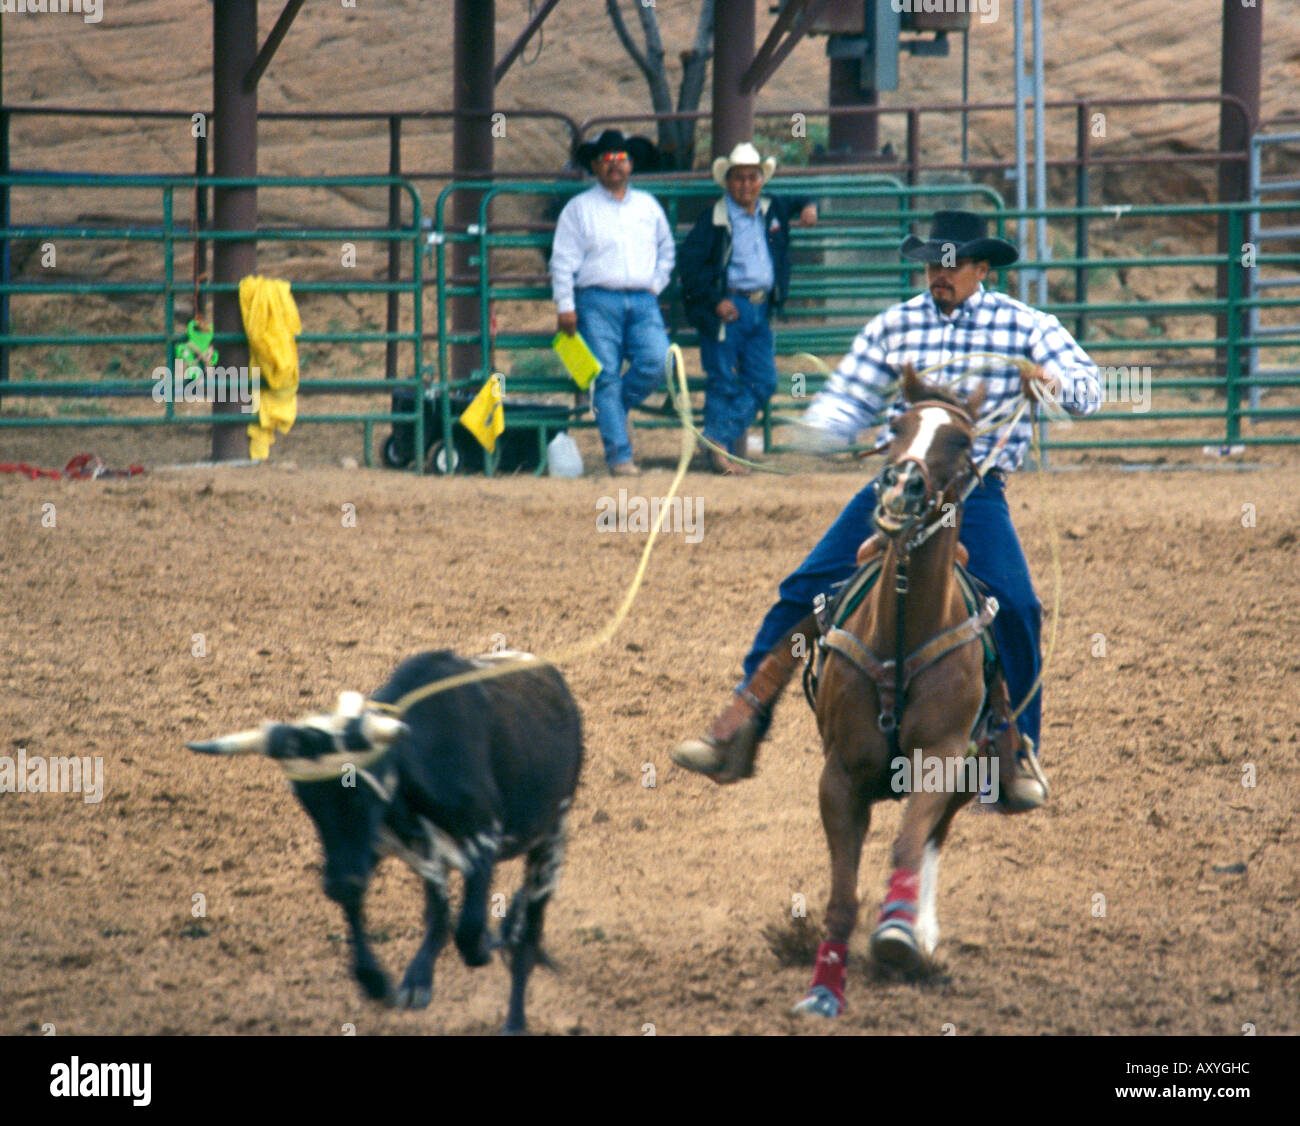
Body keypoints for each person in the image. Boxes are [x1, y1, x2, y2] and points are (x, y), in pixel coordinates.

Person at [671, 210, 1102, 811]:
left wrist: (1054, 383)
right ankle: (744, 717)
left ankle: (1015, 748)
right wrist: (815, 433)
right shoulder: (894, 326)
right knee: (806, 588)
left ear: (982, 269)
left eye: (951, 265)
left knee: (1018, 603)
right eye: (932, 264)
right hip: (897, 487)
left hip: (970, 492)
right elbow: (848, 399)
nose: (939, 275)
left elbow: (1091, 388)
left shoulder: (1027, 326)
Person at [677, 142, 818, 475]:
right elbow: (690, 265)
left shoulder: (772, 208)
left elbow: (804, 197)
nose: (746, 185)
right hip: (730, 308)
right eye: (738, 178)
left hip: (760, 308)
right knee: (723, 380)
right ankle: (720, 452)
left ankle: (715, 439)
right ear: (728, 182)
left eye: (752, 177)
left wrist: (809, 207)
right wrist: (716, 300)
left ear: (761, 180)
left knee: (764, 381)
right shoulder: (714, 218)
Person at [550, 129, 676, 477]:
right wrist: (565, 304)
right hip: (595, 300)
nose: (614, 166)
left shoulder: (648, 207)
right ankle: (620, 457)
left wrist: (656, 284)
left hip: (642, 298)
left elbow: (667, 251)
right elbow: (562, 260)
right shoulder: (579, 209)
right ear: (595, 165)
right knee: (605, 376)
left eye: (620, 159)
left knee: (657, 361)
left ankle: (615, 413)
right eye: (607, 160)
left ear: (631, 164)